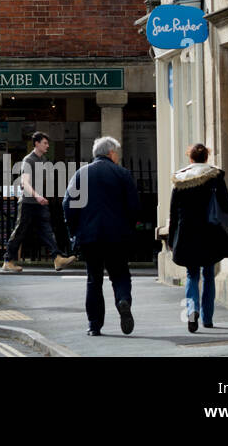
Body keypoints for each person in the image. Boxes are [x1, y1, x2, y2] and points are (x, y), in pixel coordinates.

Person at [64, 136, 139, 336]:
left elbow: (68, 205)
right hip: (117, 236)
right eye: (117, 153)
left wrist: (75, 231)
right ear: (111, 153)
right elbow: (134, 207)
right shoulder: (123, 174)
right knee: (120, 274)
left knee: (94, 280)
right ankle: (123, 300)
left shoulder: (81, 174)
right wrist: (128, 228)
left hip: (90, 237)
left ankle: (94, 326)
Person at [167, 143, 228, 332]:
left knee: (192, 274)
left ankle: (192, 310)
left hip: (186, 233)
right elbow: (226, 205)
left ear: (190, 158)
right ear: (206, 157)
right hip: (210, 232)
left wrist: (171, 238)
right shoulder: (215, 176)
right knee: (208, 274)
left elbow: (174, 212)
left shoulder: (180, 178)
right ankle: (207, 318)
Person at [2, 132, 76, 272]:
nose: (47, 145)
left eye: (47, 143)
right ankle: (8, 260)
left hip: (38, 203)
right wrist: (37, 196)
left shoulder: (43, 160)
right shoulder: (28, 160)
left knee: (46, 230)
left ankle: (57, 258)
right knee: (20, 231)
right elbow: (25, 183)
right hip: (28, 202)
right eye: (45, 143)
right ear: (36, 143)